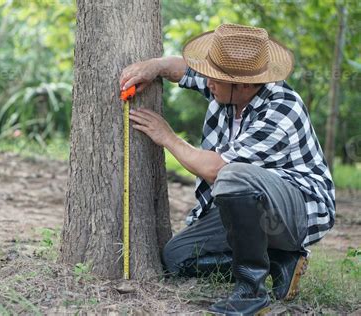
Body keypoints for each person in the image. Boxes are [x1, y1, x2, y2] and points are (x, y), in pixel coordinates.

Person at [119, 23, 335, 315]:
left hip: (297, 210)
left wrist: (166, 137)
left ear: (244, 84)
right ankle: (279, 261)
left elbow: (215, 169)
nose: (207, 81)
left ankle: (251, 293)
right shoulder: (226, 88)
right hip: (249, 203)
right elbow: (181, 69)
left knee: (232, 175)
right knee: (177, 257)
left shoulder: (281, 109)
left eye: (215, 79)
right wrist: (154, 66)